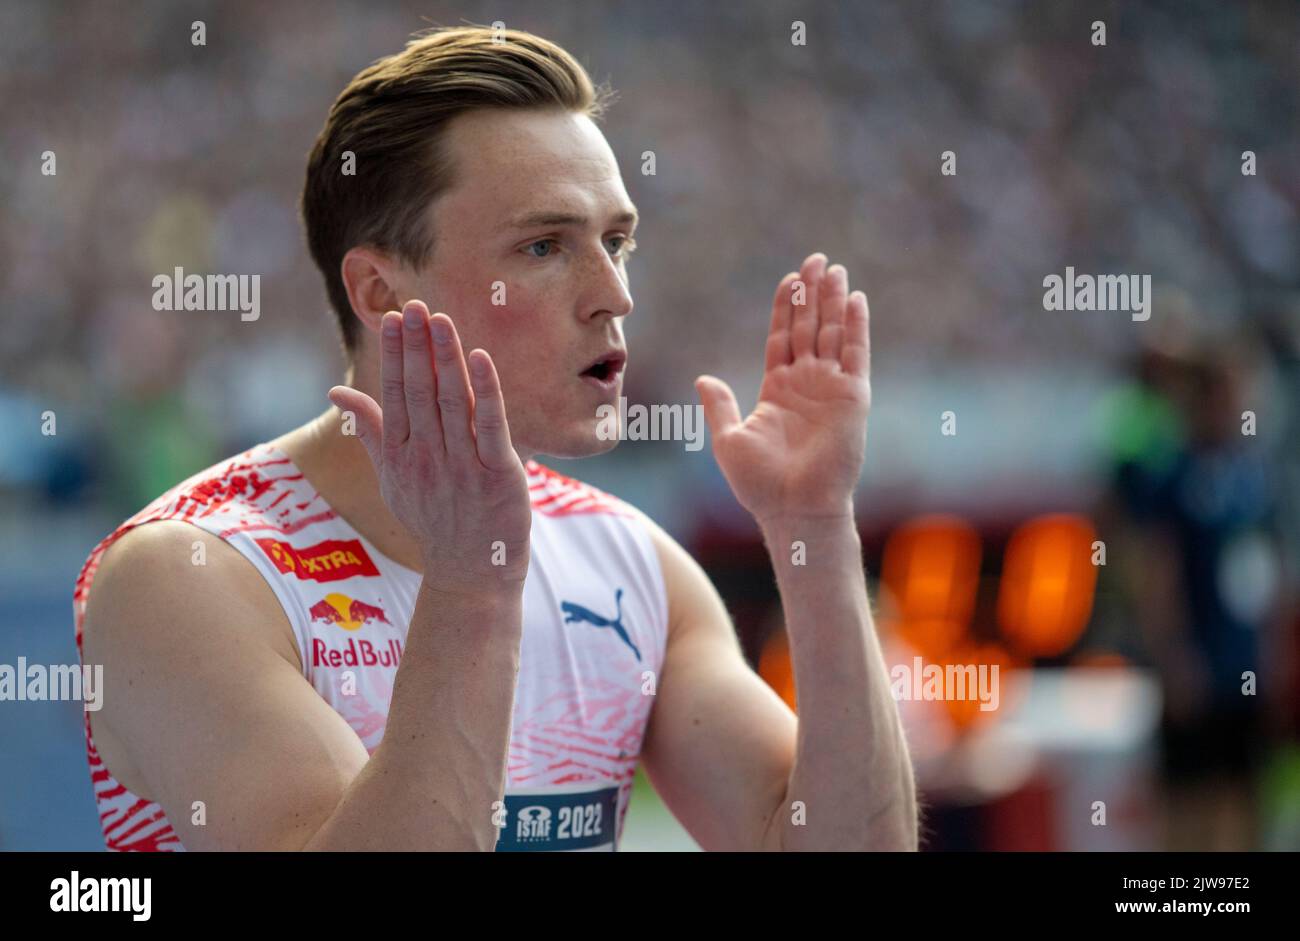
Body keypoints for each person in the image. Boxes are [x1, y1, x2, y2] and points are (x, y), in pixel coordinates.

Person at [73, 25, 916, 852]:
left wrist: (814, 526)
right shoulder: (188, 575)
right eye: (545, 245)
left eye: (617, 242)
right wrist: (474, 580)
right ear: (378, 290)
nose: (614, 294)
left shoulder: (631, 563)